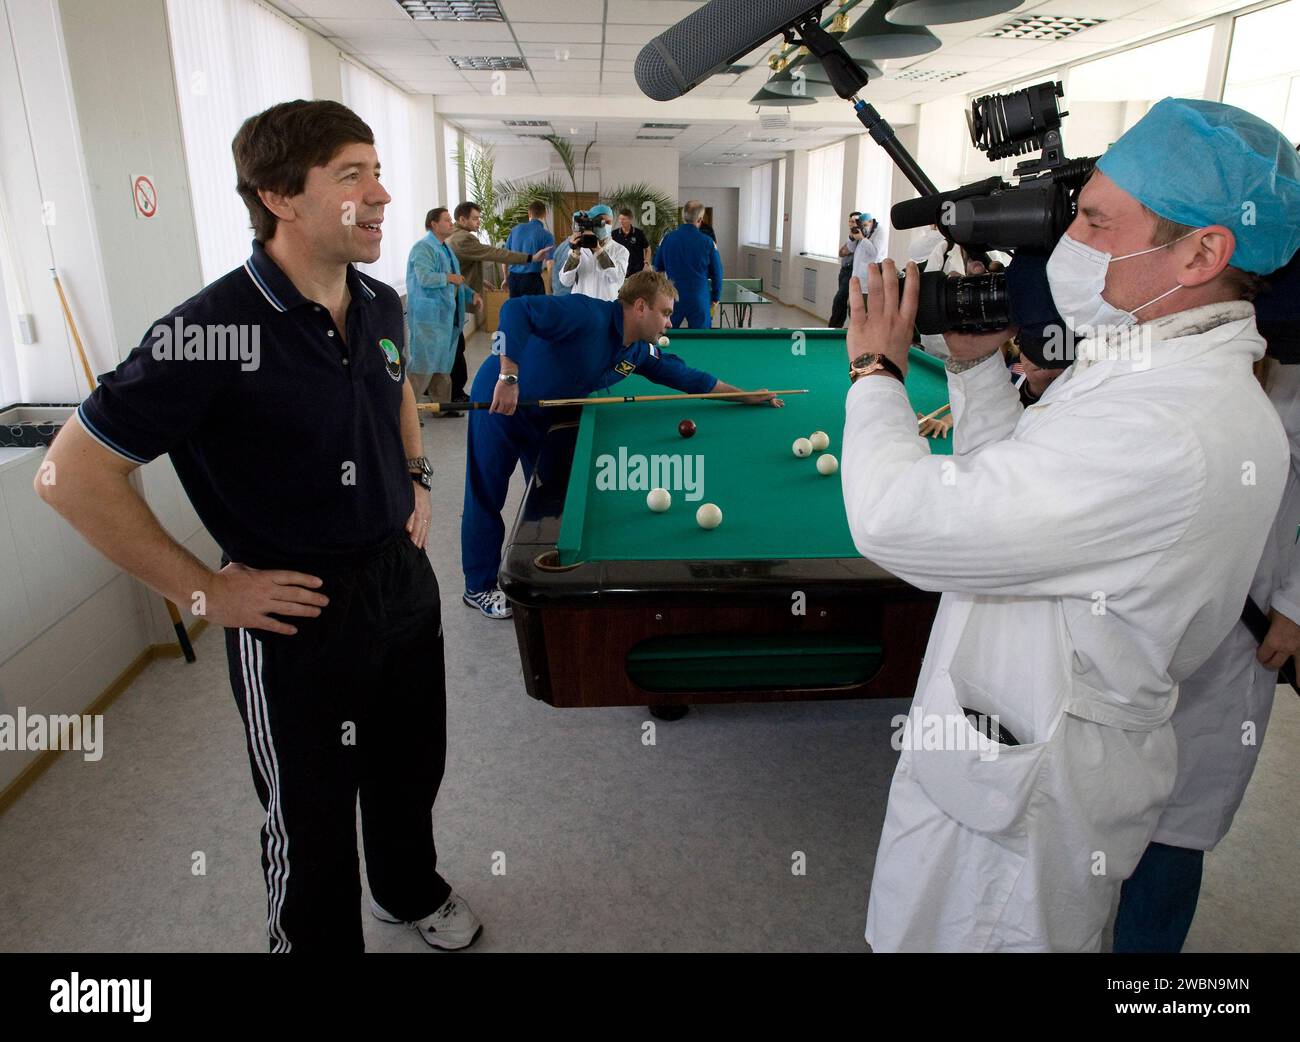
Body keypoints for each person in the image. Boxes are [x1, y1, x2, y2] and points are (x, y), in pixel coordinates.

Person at [840, 96, 1298, 952]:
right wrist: (977, 376)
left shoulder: (1167, 426)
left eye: (1094, 222)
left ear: (1204, 251)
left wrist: (875, 372)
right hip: (1002, 739)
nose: (1069, 247)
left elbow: (898, 520)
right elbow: (1016, 486)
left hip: (1025, 798)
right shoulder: (1143, 365)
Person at [34, 100, 482, 952]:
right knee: (309, 819)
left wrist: (416, 476)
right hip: (292, 610)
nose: (381, 194)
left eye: (377, 170)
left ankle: (407, 888)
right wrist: (205, 590)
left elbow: (393, 394)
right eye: (352, 175)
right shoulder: (207, 331)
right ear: (280, 195)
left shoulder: (381, 303)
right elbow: (70, 476)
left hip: (400, 582)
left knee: (408, 770)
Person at [460, 270, 781, 619]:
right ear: (640, 307)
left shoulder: (638, 352)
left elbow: (690, 378)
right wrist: (508, 375)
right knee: (486, 492)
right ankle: (478, 586)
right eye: (666, 313)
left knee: (548, 498)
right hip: (499, 401)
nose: (670, 324)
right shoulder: (587, 314)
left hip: (548, 417)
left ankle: (542, 575)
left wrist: (747, 396)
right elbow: (516, 310)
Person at [1113, 353, 1300, 952]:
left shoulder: (1288, 361)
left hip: (1235, 629)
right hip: (1125, 610)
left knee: (1180, 813)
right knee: (1098, 793)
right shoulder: (1135, 329)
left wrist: (1297, 605)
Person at [448, 201, 552, 399]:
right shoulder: (463, 238)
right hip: (530, 279)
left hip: (513, 279)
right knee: (532, 322)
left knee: (510, 319)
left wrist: (498, 280)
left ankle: (506, 354)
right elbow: (497, 253)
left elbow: (459, 268)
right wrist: (531, 259)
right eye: (475, 218)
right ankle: (455, 392)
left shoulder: (454, 236)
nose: (479, 222)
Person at [406, 206, 478, 420]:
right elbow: (424, 277)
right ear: (434, 224)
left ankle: (441, 407)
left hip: (446, 317)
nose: (451, 223)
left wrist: (472, 294)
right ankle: (407, 414)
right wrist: (448, 278)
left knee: (442, 365)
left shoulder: (445, 249)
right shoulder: (423, 248)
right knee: (423, 366)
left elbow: (457, 280)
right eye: (447, 220)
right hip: (428, 317)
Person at [654, 200, 722, 329]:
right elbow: (717, 274)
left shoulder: (667, 239)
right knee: (701, 340)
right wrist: (715, 298)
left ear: (683, 216)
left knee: (667, 334)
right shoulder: (708, 242)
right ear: (700, 219)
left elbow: (657, 268)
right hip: (699, 298)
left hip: (672, 297)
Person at [557, 204, 628, 301]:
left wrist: (598, 250)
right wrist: (575, 254)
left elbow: (618, 279)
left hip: (605, 306)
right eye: (602, 222)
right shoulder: (578, 249)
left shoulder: (620, 250)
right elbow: (565, 281)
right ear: (592, 223)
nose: (606, 226)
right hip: (581, 306)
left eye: (608, 222)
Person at [503, 200, 554, 298]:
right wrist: (550, 284)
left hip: (514, 279)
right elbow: (550, 264)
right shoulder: (547, 235)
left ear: (529, 214)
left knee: (517, 311)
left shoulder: (515, 230)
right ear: (544, 215)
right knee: (536, 311)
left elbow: (505, 256)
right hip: (533, 280)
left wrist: (506, 278)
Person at [828, 211, 862, 328]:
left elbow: (847, 250)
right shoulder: (851, 236)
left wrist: (847, 248)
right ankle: (837, 328)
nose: (852, 224)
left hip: (852, 272)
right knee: (842, 302)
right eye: (850, 221)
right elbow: (841, 252)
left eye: (854, 221)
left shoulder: (860, 235)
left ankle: (833, 328)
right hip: (843, 272)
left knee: (839, 300)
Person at [612, 207, 651, 276]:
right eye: (620, 219)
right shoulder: (614, 234)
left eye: (624, 219)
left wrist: (646, 263)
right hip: (620, 271)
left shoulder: (639, 233)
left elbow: (647, 249)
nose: (621, 221)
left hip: (637, 271)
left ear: (630, 220)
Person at [849, 212, 883, 286]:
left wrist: (862, 238)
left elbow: (875, 253)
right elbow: (851, 249)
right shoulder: (862, 230)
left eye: (865, 225)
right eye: (862, 225)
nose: (864, 227)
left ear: (871, 221)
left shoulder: (880, 231)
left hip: (867, 279)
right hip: (856, 275)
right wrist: (851, 238)